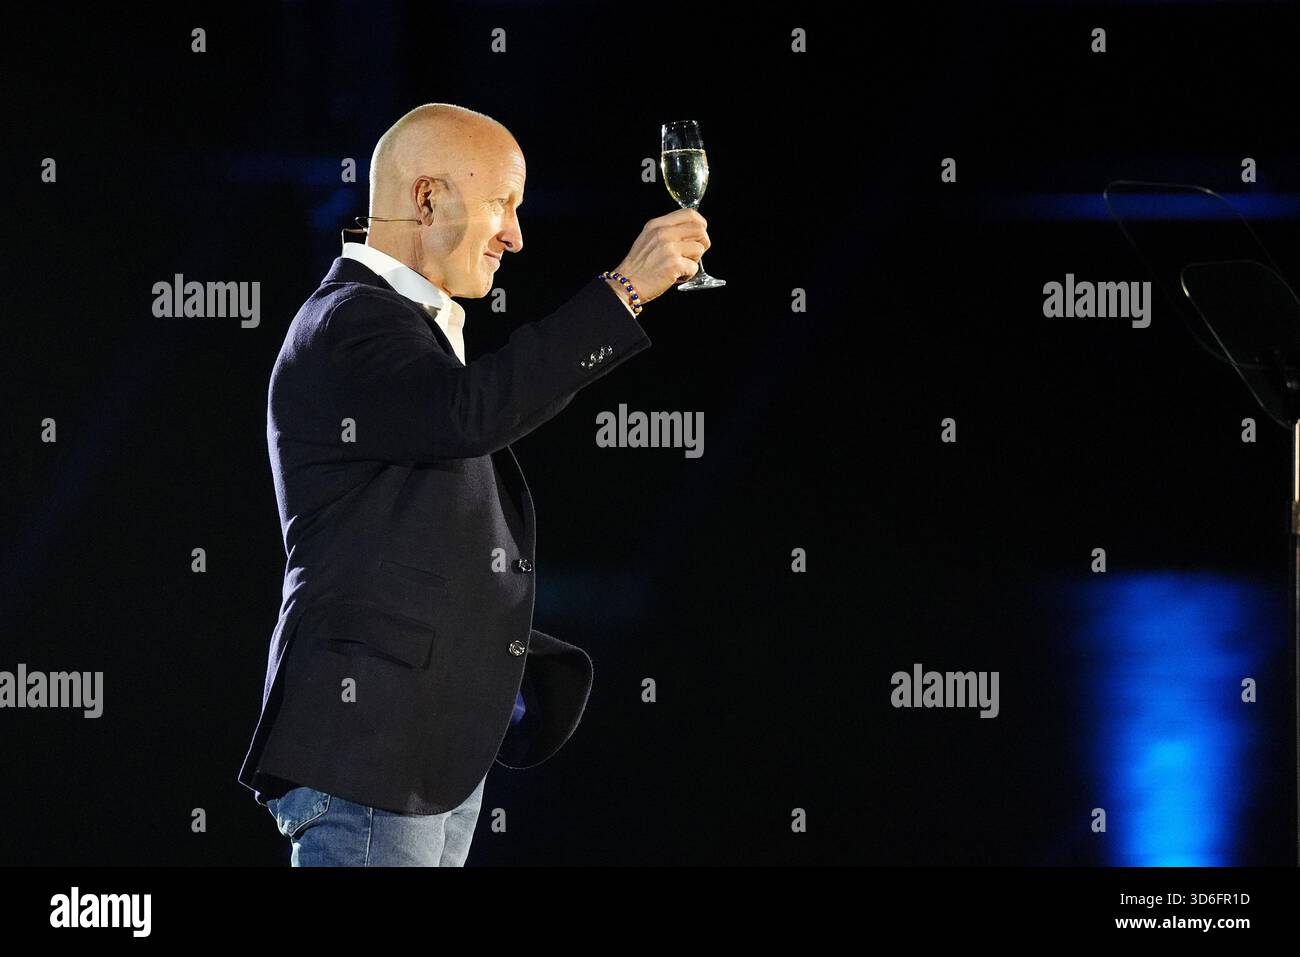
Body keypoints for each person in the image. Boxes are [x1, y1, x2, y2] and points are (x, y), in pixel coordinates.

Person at [236, 102, 711, 866]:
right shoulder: (352, 318)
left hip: (418, 752)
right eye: (503, 203)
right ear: (427, 199)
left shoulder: (398, 327)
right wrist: (622, 290)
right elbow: (471, 412)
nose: (517, 235)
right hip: (372, 747)